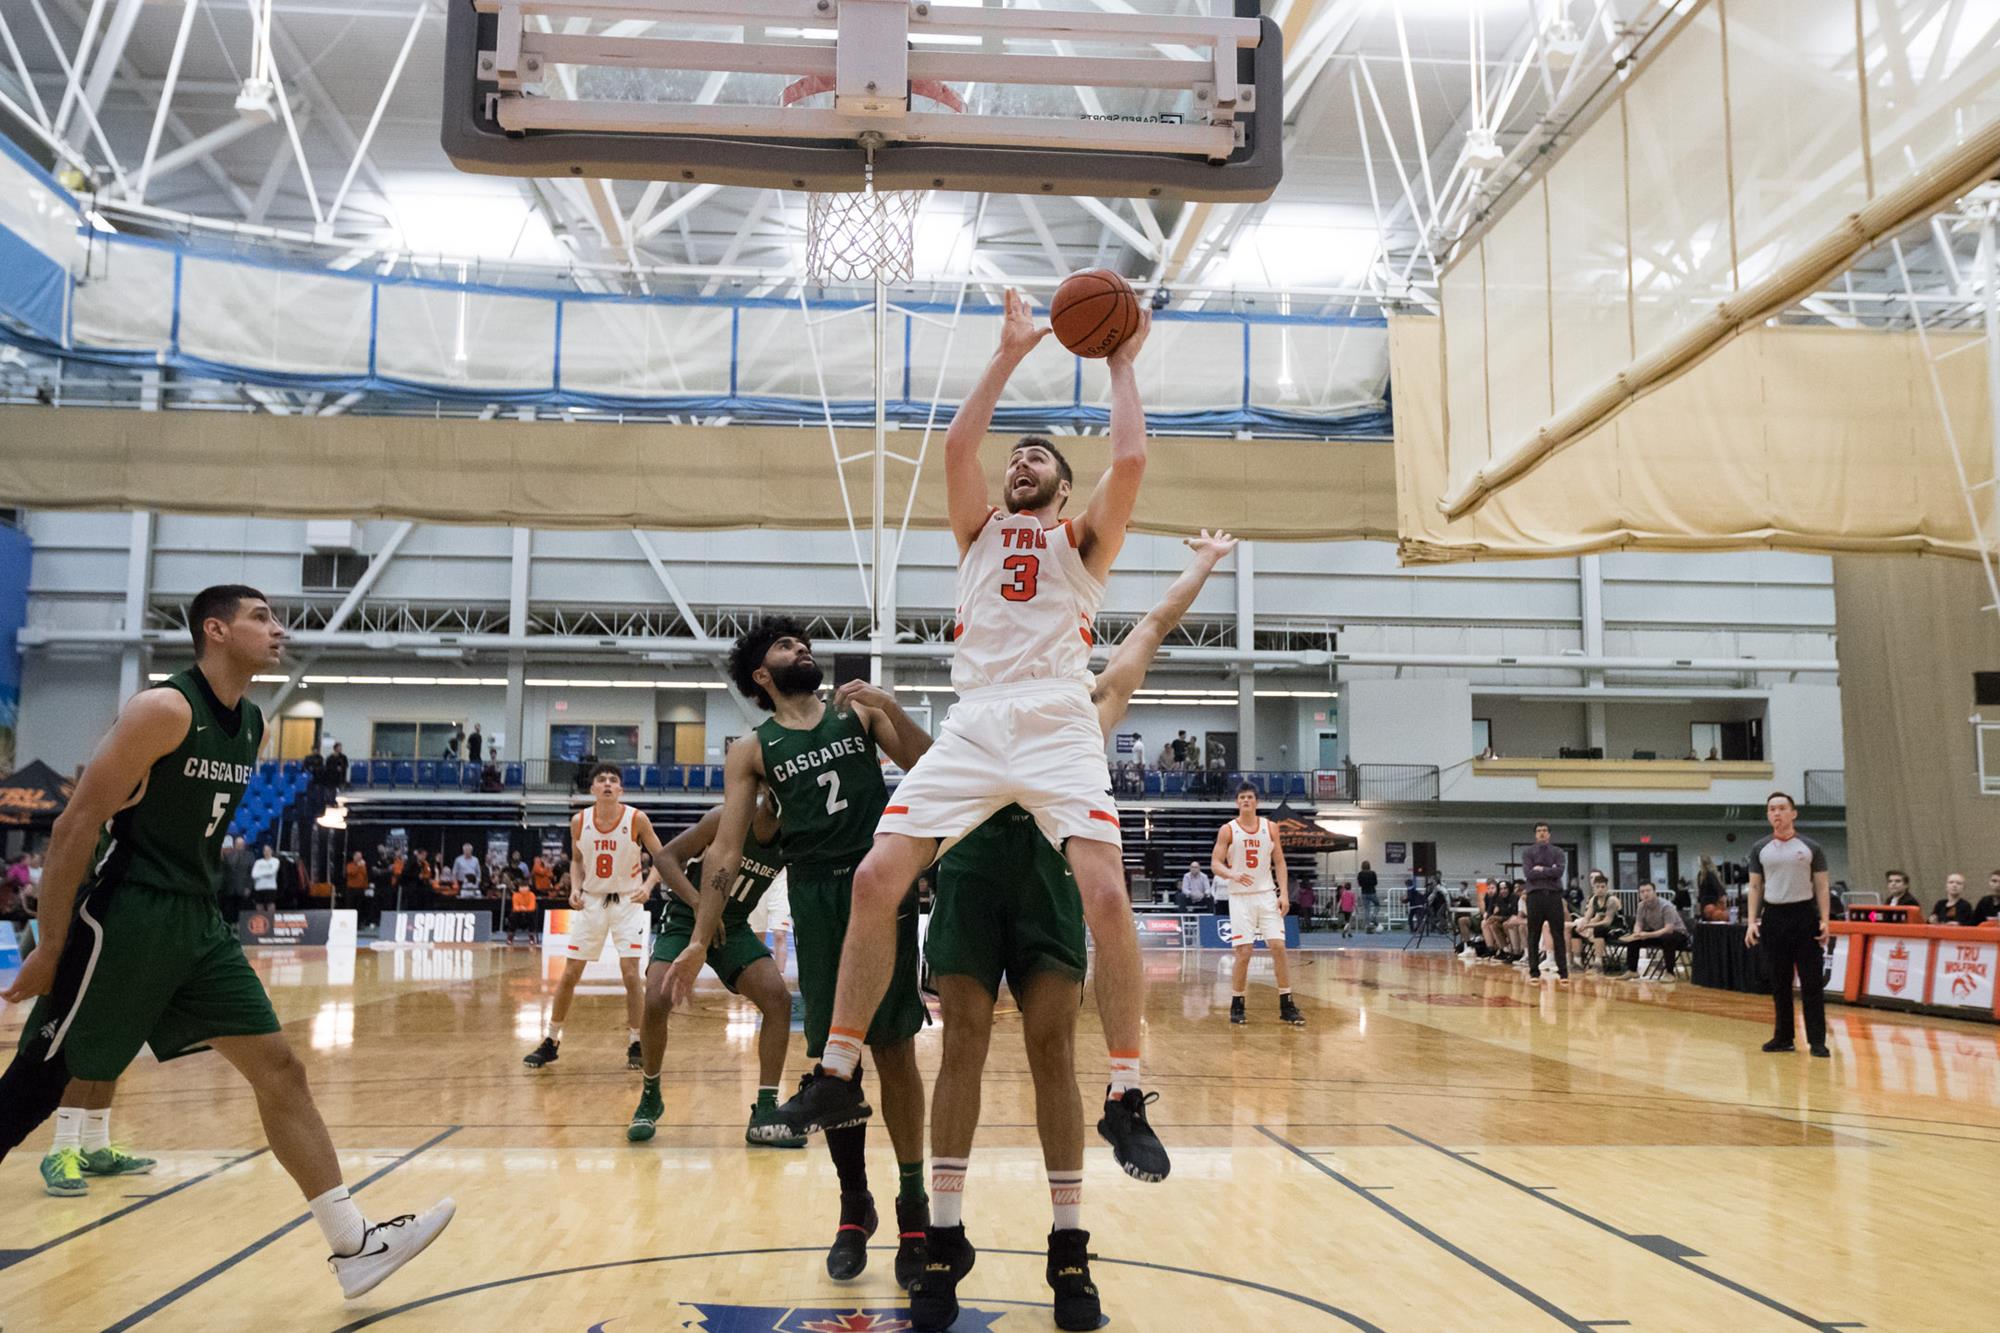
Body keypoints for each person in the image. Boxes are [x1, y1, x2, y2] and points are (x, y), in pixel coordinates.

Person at [771, 289, 1172, 1188]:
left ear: (1063, 488)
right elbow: (957, 446)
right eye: (1017, 455)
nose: (1020, 460)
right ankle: (837, 1070)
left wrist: (1119, 359)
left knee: (1107, 896)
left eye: (1039, 457)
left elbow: (1134, 457)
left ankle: (1127, 1092)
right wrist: (1009, 351)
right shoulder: (977, 532)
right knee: (878, 876)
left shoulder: (1080, 544)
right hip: (978, 717)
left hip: (1058, 713)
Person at [0, 584, 451, 1294]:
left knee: (280, 1068)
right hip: (129, 915)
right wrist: (53, 945)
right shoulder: (163, 708)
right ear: (216, 629)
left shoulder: (253, 725)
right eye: (261, 617)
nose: (278, 629)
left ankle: (354, 1243)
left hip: (197, 921)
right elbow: (73, 824)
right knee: (38, 1083)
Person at [910, 529, 1236, 1333]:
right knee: (962, 1051)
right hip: (972, 873)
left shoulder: (1090, 703)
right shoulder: (979, 690)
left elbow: (1154, 624)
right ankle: (945, 1238)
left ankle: (1069, 1246)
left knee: (1053, 1050)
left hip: (1048, 880)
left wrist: (1201, 563)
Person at [666, 617, 934, 1286]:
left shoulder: (858, 714)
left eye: (804, 644)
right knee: (830, 1066)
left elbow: (936, 771)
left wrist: (890, 705)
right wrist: (701, 935)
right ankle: (853, 1207)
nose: (802, 651)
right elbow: (726, 848)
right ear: (762, 674)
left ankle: (913, 1209)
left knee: (896, 1048)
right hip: (814, 898)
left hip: (881, 883)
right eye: (787, 647)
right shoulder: (752, 748)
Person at [631, 793, 800, 1150]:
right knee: (657, 997)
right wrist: (700, 902)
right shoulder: (726, 817)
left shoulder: (794, 834)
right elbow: (665, 858)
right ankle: (650, 1095)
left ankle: (765, 1111)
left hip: (734, 926)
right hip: (684, 918)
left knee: (778, 999)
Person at [522, 764, 672, 1072]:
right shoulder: (579, 821)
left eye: (613, 780)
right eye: (601, 780)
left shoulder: (636, 819)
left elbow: (664, 857)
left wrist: (648, 885)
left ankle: (636, 1041)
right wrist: (575, 887)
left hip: (628, 902)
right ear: (592, 789)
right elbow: (577, 861)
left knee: (631, 975)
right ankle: (551, 1041)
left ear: (620, 790)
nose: (607, 783)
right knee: (569, 974)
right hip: (592, 902)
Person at [1745, 792, 1832, 1058]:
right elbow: (1756, 886)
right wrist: (1751, 921)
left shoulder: (1810, 847)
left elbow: (1822, 885)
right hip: (1773, 918)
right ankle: (1783, 1037)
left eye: (1782, 808)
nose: (1777, 813)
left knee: (1811, 982)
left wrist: (1825, 920)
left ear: (1793, 813)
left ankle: (1817, 1041)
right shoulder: (1760, 848)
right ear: (1768, 814)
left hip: (1804, 916)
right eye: (1772, 809)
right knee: (1779, 982)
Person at [1213, 783, 1304, 1027]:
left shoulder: (1270, 827)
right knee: (1244, 952)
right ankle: (1237, 1003)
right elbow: (1215, 863)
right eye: (1241, 797)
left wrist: (1283, 894)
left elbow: (1280, 863)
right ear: (1236, 802)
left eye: (1250, 797)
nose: (1246, 801)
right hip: (1240, 897)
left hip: (1266, 894)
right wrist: (1231, 874)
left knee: (1278, 947)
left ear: (1257, 802)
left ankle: (1287, 1004)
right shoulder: (1228, 830)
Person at [1520, 822, 1569, 981]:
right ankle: (1534, 972)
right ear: (1535, 834)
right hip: (1535, 896)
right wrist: (1549, 870)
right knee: (1533, 934)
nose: (1542, 833)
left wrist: (1541, 869)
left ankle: (1563, 972)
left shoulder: (1558, 852)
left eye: (1545, 831)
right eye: (1539, 831)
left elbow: (1559, 872)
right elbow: (1529, 873)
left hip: (1554, 896)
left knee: (1558, 933)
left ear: (1549, 834)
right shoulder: (1528, 852)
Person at [1611, 882, 1689, 979]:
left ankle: (1670, 973)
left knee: (1668, 938)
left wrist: (1647, 935)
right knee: (1634, 939)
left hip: (1678, 934)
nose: (1645, 894)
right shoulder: (1641, 906)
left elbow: (1669, 929)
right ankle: (1632, 970)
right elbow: (1638, 923)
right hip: (1658, 933)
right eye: (1642, 891)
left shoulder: (1666, 906)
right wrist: (1637, 933)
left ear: (1655, 892)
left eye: (1648, 890)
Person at [1566, 872, 1621, 972]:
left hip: (1617, 928)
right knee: (1575, 929)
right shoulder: (1593, 900)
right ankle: (1577, 963)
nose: (1600, 889)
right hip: (1600, 927)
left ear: (1607, 888)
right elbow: (1587, 917)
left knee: (1598, 929)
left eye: (1602, 887)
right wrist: (1582, 925)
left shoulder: (1612, 900)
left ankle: (1598, 964)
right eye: (1597, 887)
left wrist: (1588, 926)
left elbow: (1607, 922)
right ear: (1593, 888)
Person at [1697, 855, 1727, 922]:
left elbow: (1717, 888)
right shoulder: (1712, 874)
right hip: (1712, 900)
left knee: (1709, 919)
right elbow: (1719, 888)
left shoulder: (1706, 875)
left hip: (1708, 902)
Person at [251, 843, 279, 909]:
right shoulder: (258, 862)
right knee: (259, 904)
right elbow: (253, 875)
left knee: (271, 904)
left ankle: (271, 919)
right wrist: (266, 872)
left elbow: (272, 872)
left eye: (268, 850)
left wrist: (260, 873)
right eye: (265, 850)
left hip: (271, 887)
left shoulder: (275, 861)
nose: (266, 852)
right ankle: (261, 919)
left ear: (271, 851)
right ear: (263, 852)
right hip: (259, 887)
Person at [1356, 860, 1379, 933]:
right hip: (1372, 892)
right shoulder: (1373, 873)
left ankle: (1367, 925)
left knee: (1366, 910)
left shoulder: (1360, 874)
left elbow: (1359, 884)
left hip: (1364, 893)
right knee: (1377, 905)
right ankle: (1374, 916)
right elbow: (1375, 883)